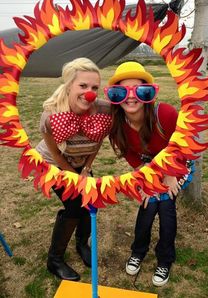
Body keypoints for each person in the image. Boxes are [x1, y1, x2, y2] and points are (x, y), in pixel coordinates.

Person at [105, 61, 190, 287]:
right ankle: (138, 251)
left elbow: (184, 145)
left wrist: (171, 174)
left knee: (166, 204)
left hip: (177, 164)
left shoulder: (165, 113)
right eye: (121, 91)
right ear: (115, 96)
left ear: (149, 94)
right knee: (147, 204)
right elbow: (130, 154)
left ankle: (165, 259)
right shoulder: (117, 125)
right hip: (149, 167)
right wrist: (141, 176)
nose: (131, 97)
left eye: (140, 90)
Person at [36, 57, 111, 281]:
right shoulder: (50, 117)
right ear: (69, 86)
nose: (89, 92)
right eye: (83, 86)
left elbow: (97, 143)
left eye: (94, 87)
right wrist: (75, 178)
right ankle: (55, 259)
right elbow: (57, 155)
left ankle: (82, 243)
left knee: (92, 198)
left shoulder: (104, 111)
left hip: (81, 163)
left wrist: (87, 169)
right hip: (52, 164)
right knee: (75, 204)